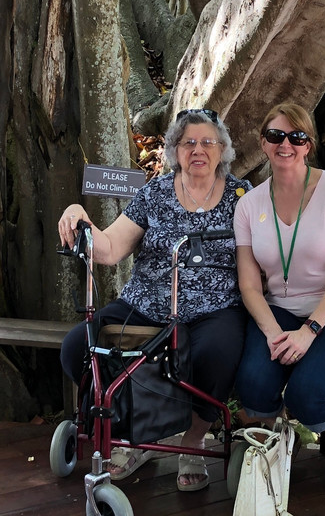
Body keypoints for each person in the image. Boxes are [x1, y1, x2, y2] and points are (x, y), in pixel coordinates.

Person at [57, 109, 249, 490]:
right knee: (78, 347)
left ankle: (192, 442)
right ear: (174, 150)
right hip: (146, 304)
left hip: (212, 308)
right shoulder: (156, 192)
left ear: (222, 150)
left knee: (215, 353)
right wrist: (78, 214)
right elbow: (110, 248)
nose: (198, 149)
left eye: (207, 142)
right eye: (188, 142)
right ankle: (133, 434)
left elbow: (277, 248)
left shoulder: (242, 196)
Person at [234, 102, 325, 494]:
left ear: (308, 144)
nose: (286, 145)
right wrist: (273, 333)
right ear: (263, 143)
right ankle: (279, 434)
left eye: (296, 137)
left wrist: (308, 331)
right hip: (278, 309)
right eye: (276, 136)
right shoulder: (248, 205)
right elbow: (249, 285)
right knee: (253, 385)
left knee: (308, 392)